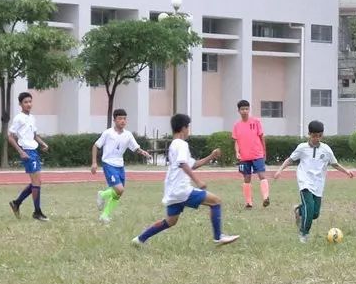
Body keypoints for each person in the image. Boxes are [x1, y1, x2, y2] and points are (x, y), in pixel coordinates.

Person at [132, 114, 239, 246]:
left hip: (172, 191)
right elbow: (183, 164)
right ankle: (218, 237)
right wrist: (198, 181)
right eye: (188, 127)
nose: (189, 131)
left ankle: (140, 239)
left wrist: (211, 156)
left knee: (170, 221)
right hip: (182, 190)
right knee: (216, 201)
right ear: (183, 128)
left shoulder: (174, 145)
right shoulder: (182, 144)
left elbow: (192, 164)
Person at [274, 120, 354, 243]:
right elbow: (290, 160)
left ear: (322, 135)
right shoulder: (302, 148)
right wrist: (280, 170)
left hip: (318, 183)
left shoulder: (326, 149)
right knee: (309, 208)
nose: (316, 138)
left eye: (319, 136)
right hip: (304, 181)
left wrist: (346, 171)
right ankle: (304, 234)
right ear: (309, 134)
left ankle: (299, 210)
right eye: (314, 136)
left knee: (315, 213)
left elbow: (334, 164)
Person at [91, 108, 152, 223]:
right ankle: (103, 195)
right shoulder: (108, 133)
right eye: (120, 118)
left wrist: (144, 153)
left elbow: (136, 148)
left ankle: (104, 214)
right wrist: (94, 163)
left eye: (124, 118)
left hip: (120, 165)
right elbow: (95, 146)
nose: (122, 121)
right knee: (119, 189)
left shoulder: (128, 135)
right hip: (109, 164)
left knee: (119, 193)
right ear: (114, 120)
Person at [7, 92, 50, 221]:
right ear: (20, 104)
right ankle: (37, 212)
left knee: (37, 182)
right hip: (27, 152)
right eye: (25, 102)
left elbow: (34, 135)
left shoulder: (32, 118)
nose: (28, 104)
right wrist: (21, 151)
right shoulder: (18, 118)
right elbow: (10, 136)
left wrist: (43, 143)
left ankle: (16, 203)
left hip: (34, 150)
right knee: (36, 182)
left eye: (30, 101)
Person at [232, 100, 269, 209]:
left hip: (257, 154)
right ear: (238, 111)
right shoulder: (237, 126)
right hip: (244, 157)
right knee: (246, 178)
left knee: (261, 175)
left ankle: (266, 197)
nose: (245, 111)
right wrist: (237, 152)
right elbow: (236, 141)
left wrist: (264, 152)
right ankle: (248, 203)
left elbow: (262, 137)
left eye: (247, 109)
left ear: (249, 109)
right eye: (242, 109)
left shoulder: (256, 122)